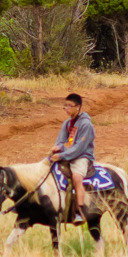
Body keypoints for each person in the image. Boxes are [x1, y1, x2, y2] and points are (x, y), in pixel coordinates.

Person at [49, 92, 96, 225]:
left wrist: (62, 155)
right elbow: (61, 140)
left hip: (81, 157)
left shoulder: (86, 125)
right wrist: (56, 148)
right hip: (66, 155)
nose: (67, 109)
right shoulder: (67, 123)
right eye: (65, 106)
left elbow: (79, 148)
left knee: (76, 178)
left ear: (78, 107)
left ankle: (79, 211)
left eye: (70, 106)